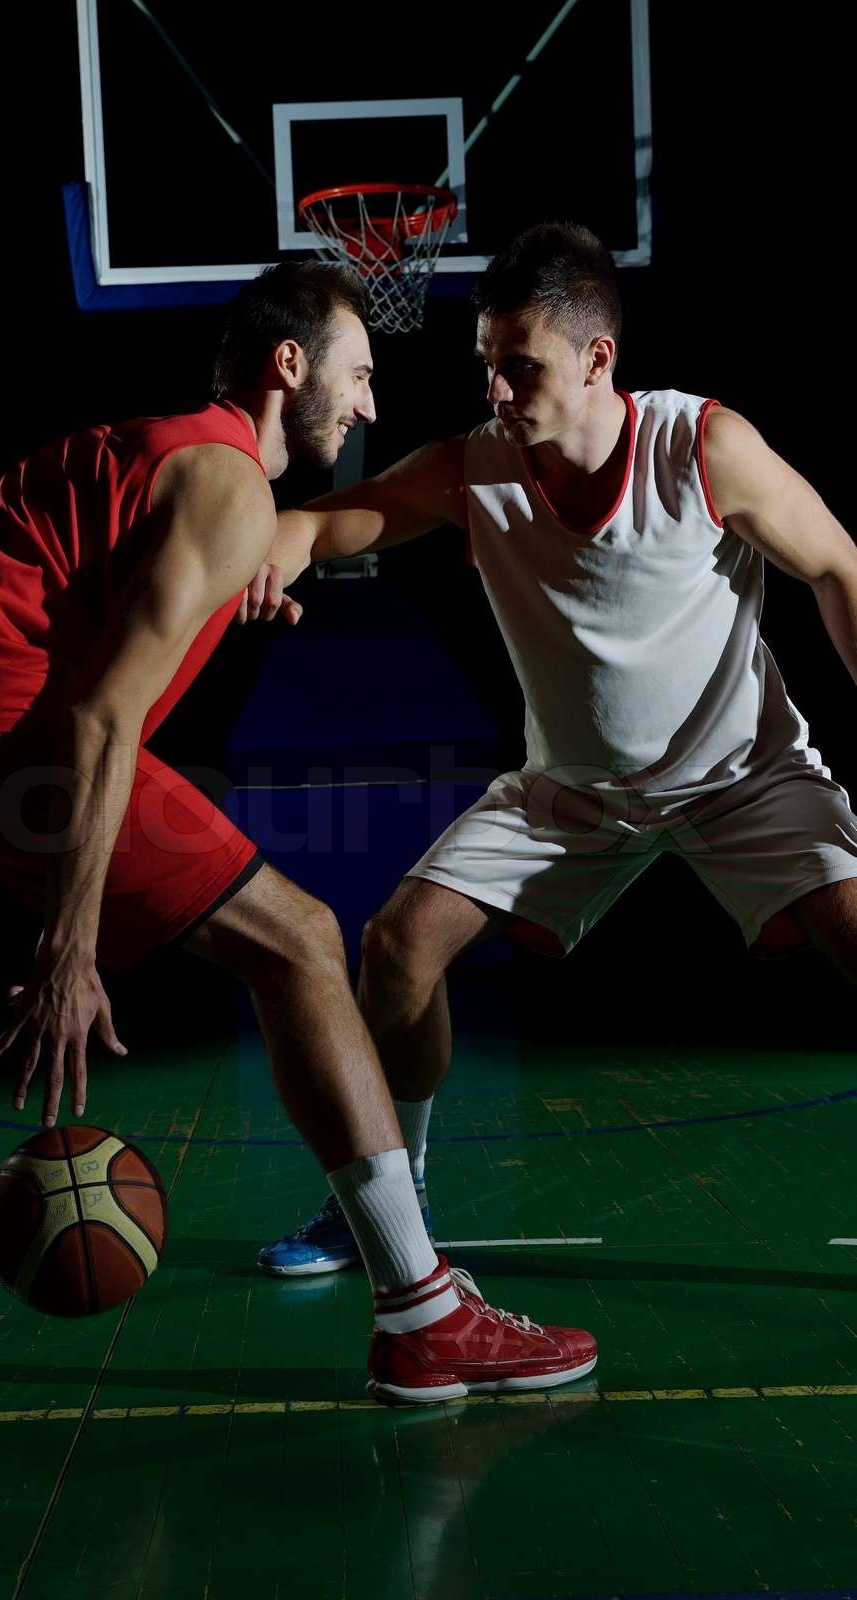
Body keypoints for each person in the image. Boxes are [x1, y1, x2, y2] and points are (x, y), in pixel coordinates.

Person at [0, 260, 596, 1404]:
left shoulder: (166, 461)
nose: (370, 405)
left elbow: (93, 591)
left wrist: (233, 579)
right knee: (304, 939)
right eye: (358, 375)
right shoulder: (224, 480)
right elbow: (101, 712)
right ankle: (423, 1315)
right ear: (289, 366)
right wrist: (66, 952)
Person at [253, 223, 857, 1276]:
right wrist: (259, 552)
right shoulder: (474, 471)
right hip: (570, 794)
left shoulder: (702, 447)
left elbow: (840, 567)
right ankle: (390, 1198)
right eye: (487, 363)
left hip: (744, 777)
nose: (496, 388)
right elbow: (328, 523)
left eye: (519, 364)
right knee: (398, 946)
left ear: (597, 359)